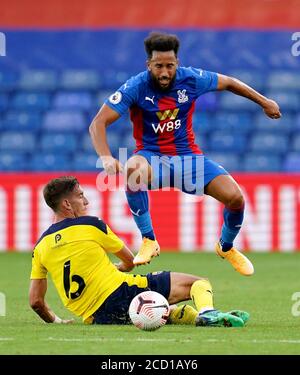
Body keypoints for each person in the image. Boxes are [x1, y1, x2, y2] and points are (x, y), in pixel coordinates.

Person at [89, 31, 281, 275]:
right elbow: (98, 122)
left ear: (177, 63)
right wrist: (105, 156)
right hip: (152, 157)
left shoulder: (191, 79)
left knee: (236, 199)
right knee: (132, 170)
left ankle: (226, 247)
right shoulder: (136, 86)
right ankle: (149, 240)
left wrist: (264, 101)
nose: (165, 72)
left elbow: (231, 82)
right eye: (159, 66)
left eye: (170, 66)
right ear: (149, 64)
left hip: (189, 158)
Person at [29, 176, 249, 328]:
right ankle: (208, 313)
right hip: (120, 292)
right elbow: (129, 260)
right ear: (67, 204)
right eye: (80, 196)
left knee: (161, 311)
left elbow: (36, 301)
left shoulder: (40, 247)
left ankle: (205, 318)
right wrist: (123, 266)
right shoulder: (90, 225)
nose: (86, 201)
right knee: (198, 284)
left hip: (96, 317)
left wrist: (57, 322)